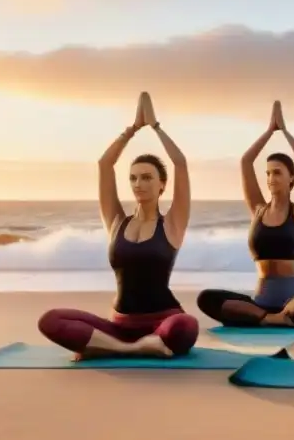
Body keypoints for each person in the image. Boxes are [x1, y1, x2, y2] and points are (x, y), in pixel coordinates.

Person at [38, 93, 199, 359]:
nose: (139, 184)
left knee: (184, 327)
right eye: (133, 178)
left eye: (147, 178)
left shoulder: (172, 223)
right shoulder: (116, 221)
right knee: (50, 320)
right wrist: (132, 129)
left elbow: (180, 164)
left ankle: (105, 347)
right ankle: (131, 348)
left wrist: (155, 126)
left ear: (162, 184)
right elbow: (104, 164)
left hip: (163, 322)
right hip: (119, 326)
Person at [196, 101, 294, 327]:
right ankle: (272, 318)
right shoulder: (258, 209)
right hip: (260, 301)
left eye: (277, 173)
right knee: (206, 299)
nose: (271, 178)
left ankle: (275, 317)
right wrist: (269, 131)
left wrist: (284, 131)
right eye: (267, 173)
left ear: (292, 178)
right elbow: (246, 162)